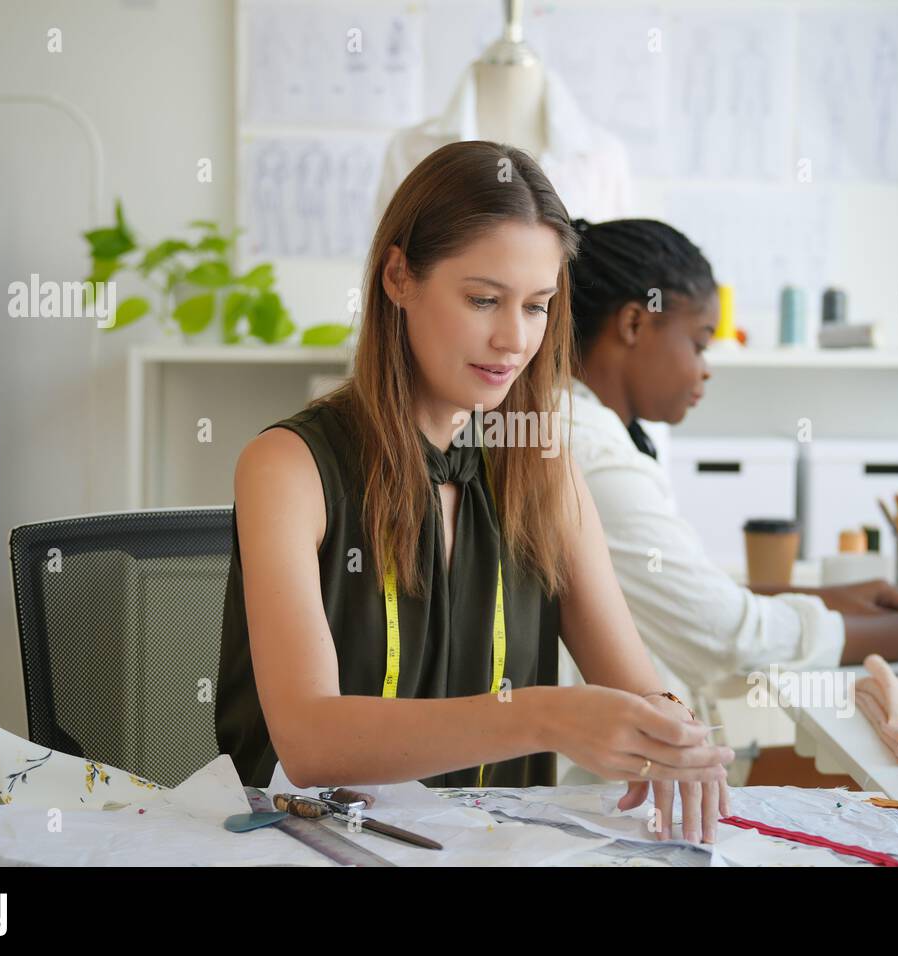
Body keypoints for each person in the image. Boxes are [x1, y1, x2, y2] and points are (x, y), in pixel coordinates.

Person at [216, 144, 731, 844]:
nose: (513, 339)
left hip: (497, 852)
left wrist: (671, 726)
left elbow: (637, 681)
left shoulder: (543, 465)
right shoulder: (287, 466)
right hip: (312, 851)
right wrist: (545, 715)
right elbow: (309, 739)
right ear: (399, 277)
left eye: (538, 306)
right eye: (483, 299)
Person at [560, 217, 898, 697]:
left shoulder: (588, 427)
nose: (705, 370)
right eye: (699, 343)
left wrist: (829, 598)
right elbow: (726, 639)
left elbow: (691, 598)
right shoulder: (591, 451)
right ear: (635, 323)